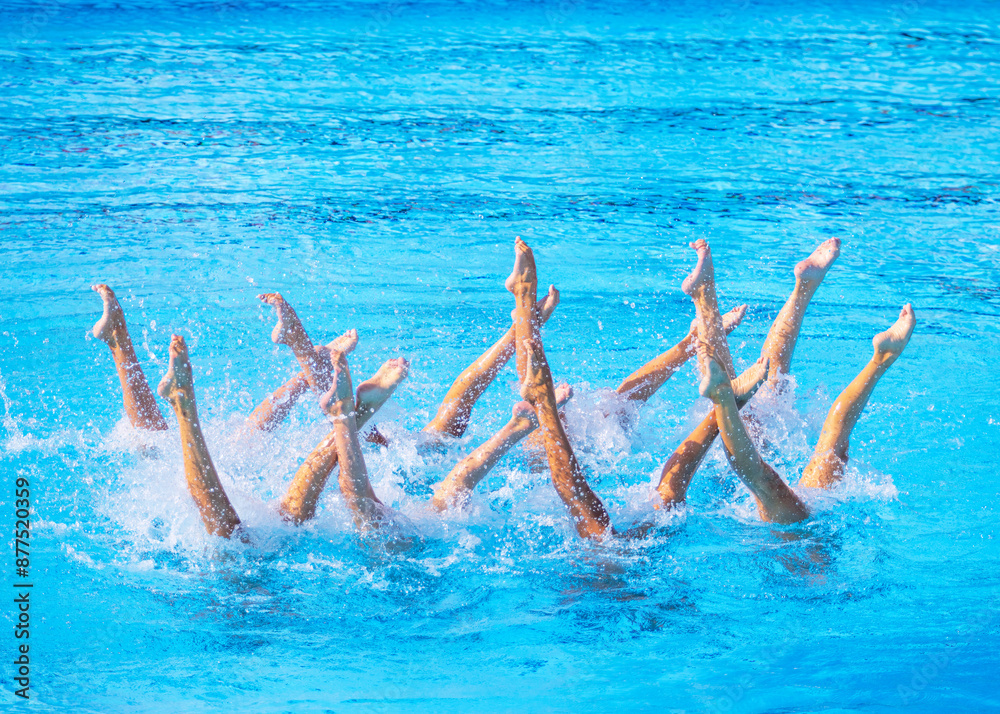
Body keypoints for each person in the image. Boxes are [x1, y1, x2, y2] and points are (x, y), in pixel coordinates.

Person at [685, 239, 916, 523]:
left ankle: (880, 359)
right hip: (797, 522)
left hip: (809, 513)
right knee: (763, 413)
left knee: (828, 442)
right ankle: (708, 297)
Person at [656, 237, 842, 506]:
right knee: (765, 396)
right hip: (731, 469)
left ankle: (710, 297)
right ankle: (798, 289)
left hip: (723, 469)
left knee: (765, 396)